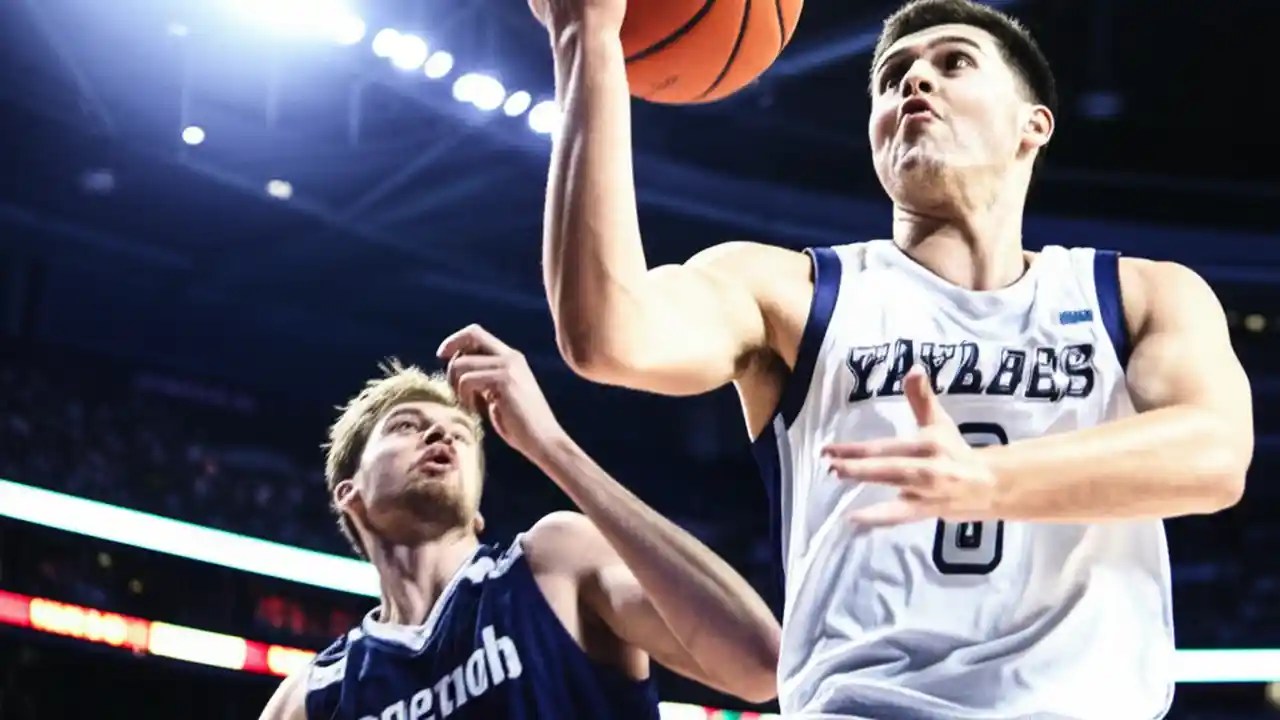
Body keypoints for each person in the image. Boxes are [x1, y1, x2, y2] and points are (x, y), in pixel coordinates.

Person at [527, 0, 1253, 716]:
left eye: (953, 63)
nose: (914, 82)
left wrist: (987, 478)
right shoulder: (795, 292)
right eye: (893, 75)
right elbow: (609, 335)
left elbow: (1215, 456)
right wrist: (586, 39)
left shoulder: (1136, 294)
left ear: (1032, 126)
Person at [257, 324, 781, 720]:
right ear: (350, 493)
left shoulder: (551, 565)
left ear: (478, 511)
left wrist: (551, 445)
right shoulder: (314, 695)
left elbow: (759, 663)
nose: (440, 437)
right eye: (407, 426)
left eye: (458, 435)